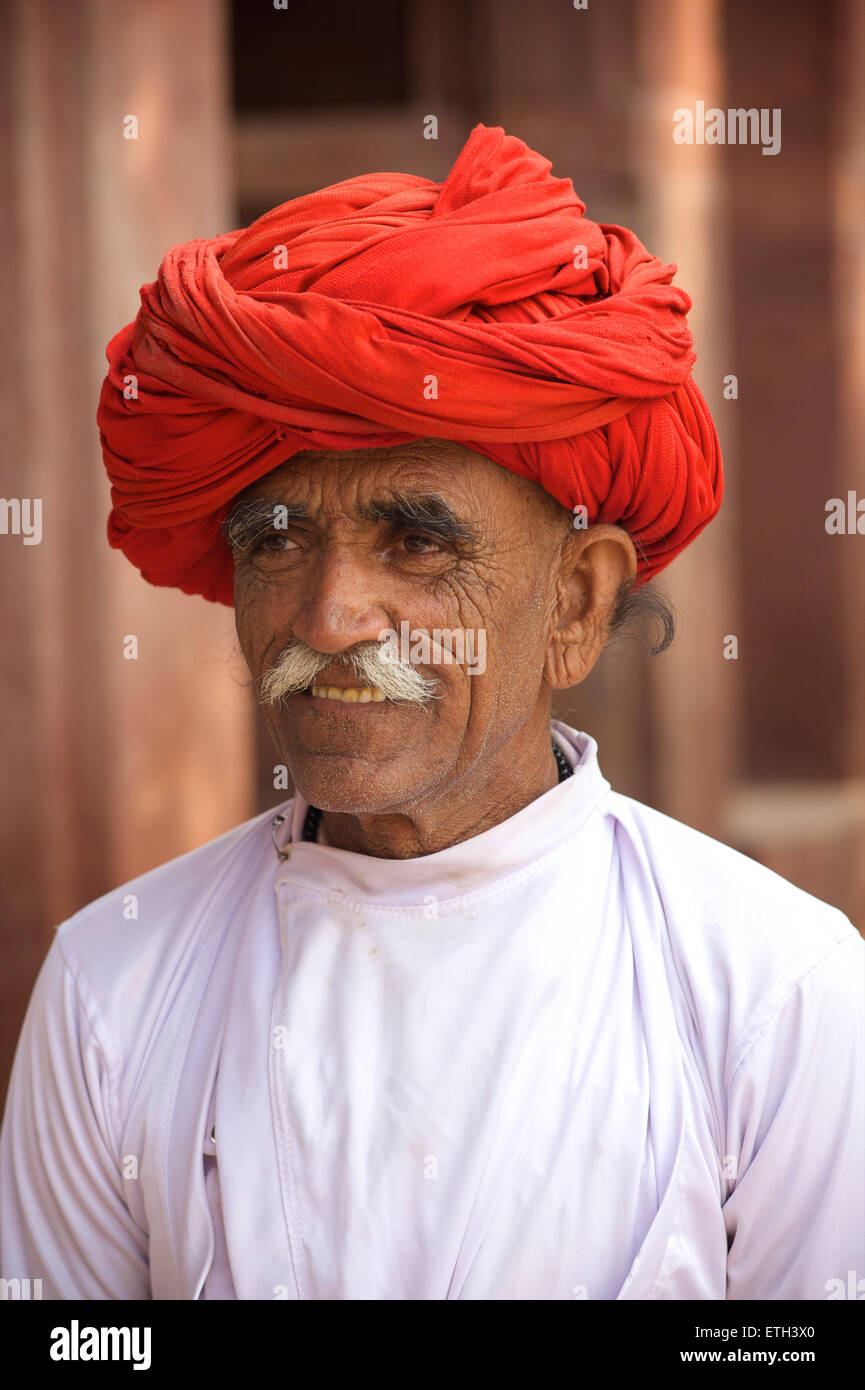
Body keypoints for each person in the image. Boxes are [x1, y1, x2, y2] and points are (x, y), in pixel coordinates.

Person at [1, 125, 862, 1301]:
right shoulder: (114, 986)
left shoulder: (773, 989)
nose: (331, 615)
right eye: (277, 540)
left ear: (575, 599)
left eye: (415, 541)